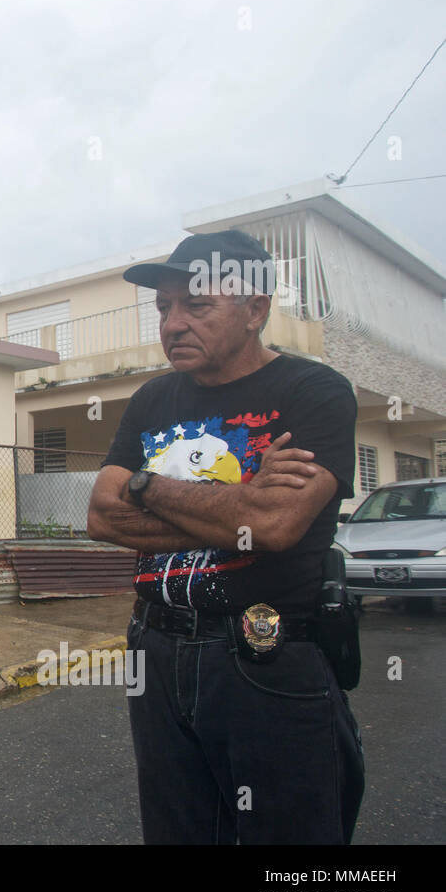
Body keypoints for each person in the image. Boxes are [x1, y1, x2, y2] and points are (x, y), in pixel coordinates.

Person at [87, 229, 364, 844]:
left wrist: (146, 486)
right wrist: (238, 501)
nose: (174, 324)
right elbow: (102, 517)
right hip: (156, 653)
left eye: (197, 305)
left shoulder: (312, 392)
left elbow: (274, 525)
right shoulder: (153, 397)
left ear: (256, 310)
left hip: (264, 657)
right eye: (164, 308)